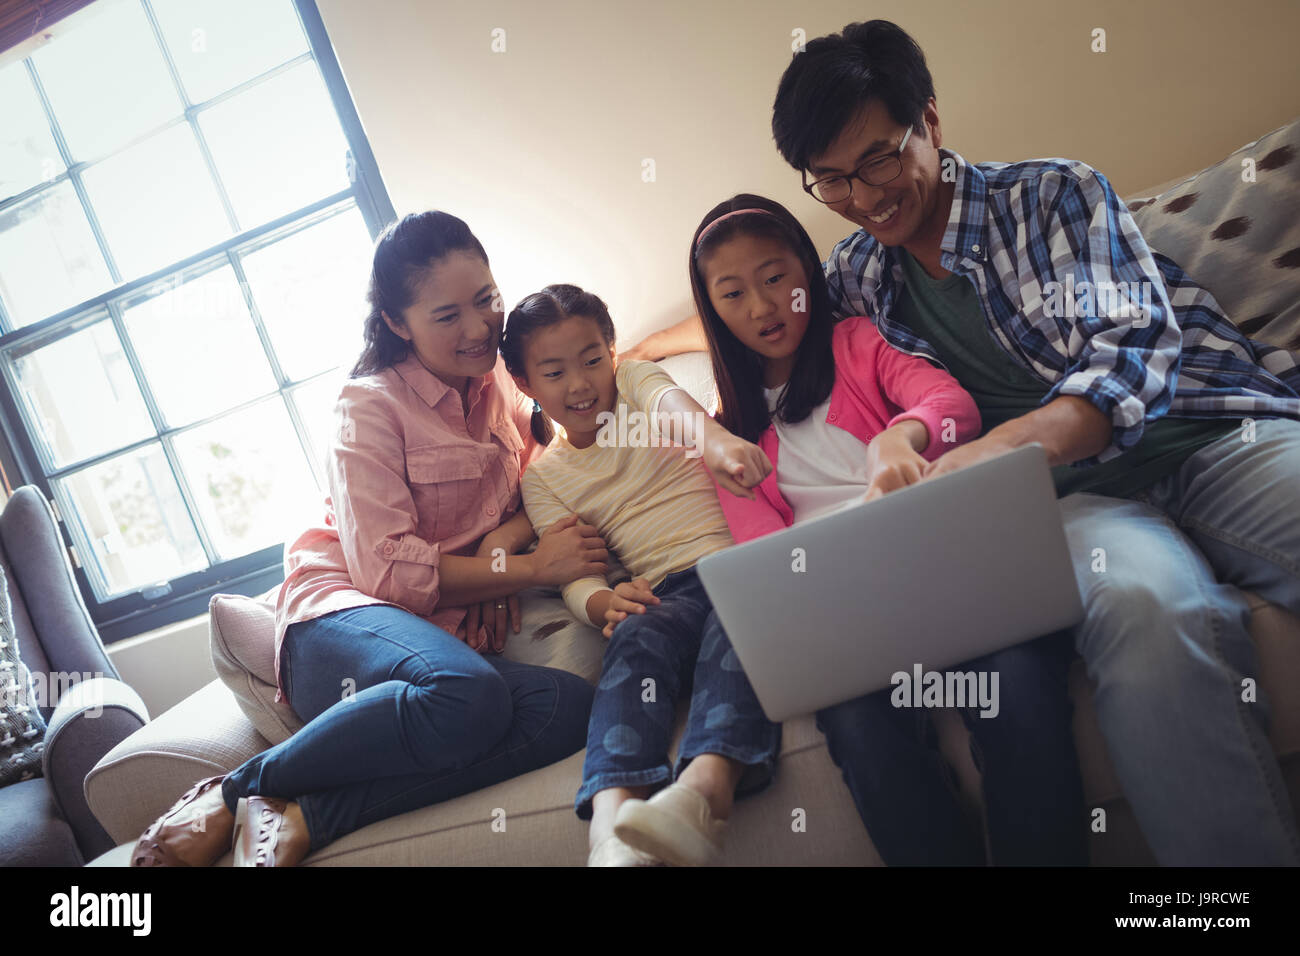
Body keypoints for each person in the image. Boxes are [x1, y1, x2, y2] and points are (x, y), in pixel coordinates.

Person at [630, 20, 1300, 864]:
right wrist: (642, 355)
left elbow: (1133, 352)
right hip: (1075, 506)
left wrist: (996, 446)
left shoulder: (1054, 195)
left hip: (1208, 434)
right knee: (1150, 613)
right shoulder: (857, 275)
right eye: (831, 180)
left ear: (931, 123)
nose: (866, 197)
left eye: (879, 158)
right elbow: (760, 293)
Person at [131, 211, 606, 867]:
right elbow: (388, 573)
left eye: (486, 300)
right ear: (396, 322)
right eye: (447, 316)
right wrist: (522, 570)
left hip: (440, 639)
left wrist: (501, 545)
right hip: (341, 619)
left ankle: (310, 815)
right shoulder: (368, 406)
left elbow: (542, 473)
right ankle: (236, 789)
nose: (477, 328)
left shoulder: (506, 379)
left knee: (570, 706)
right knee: (471, 693)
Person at [688, 193, 1088, 864]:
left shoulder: (857, 343)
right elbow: (763, 556)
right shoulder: (729, 439)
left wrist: (899, 442)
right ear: (714, 310)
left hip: (953, 579)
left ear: (807, 274)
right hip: (848, 626)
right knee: (861, 730)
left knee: (1018, 688)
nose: (761, 307)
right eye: (733, 294)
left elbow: (951, 406)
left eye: (776, 277)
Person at [500, 283, 780, 866]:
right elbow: (576, 573)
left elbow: (673, 407)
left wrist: (717, 441)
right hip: (666, 591)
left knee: (741, 625)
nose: (580, 383)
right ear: (524, 384)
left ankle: (702, 794)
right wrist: (605, 604)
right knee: (634, 642)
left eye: (592, 360)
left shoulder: (634, 386)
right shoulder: (544, 478)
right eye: (553, 372)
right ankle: (610, 832)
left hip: (739, 565)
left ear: (612, 352)